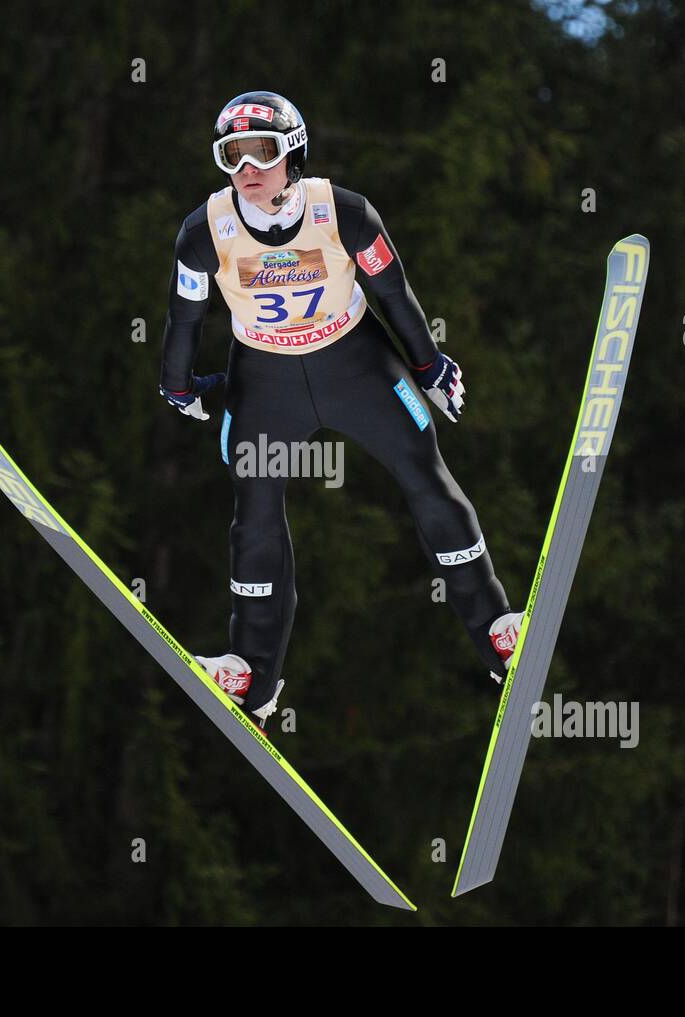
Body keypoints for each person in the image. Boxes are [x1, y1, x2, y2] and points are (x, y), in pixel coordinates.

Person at [159, 90, 522, 726]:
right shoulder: (204, 228)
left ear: (291, 153)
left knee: (426, 478)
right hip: (265, 380)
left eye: (261, 152)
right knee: (256, 516)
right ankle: (253, 676)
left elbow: (395, 295)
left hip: (355, 365)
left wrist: (430, 365)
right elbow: (184, 314)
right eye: (231, 156)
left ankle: (496, 631)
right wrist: (177, 383)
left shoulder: (343, 212)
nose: (247, 170)